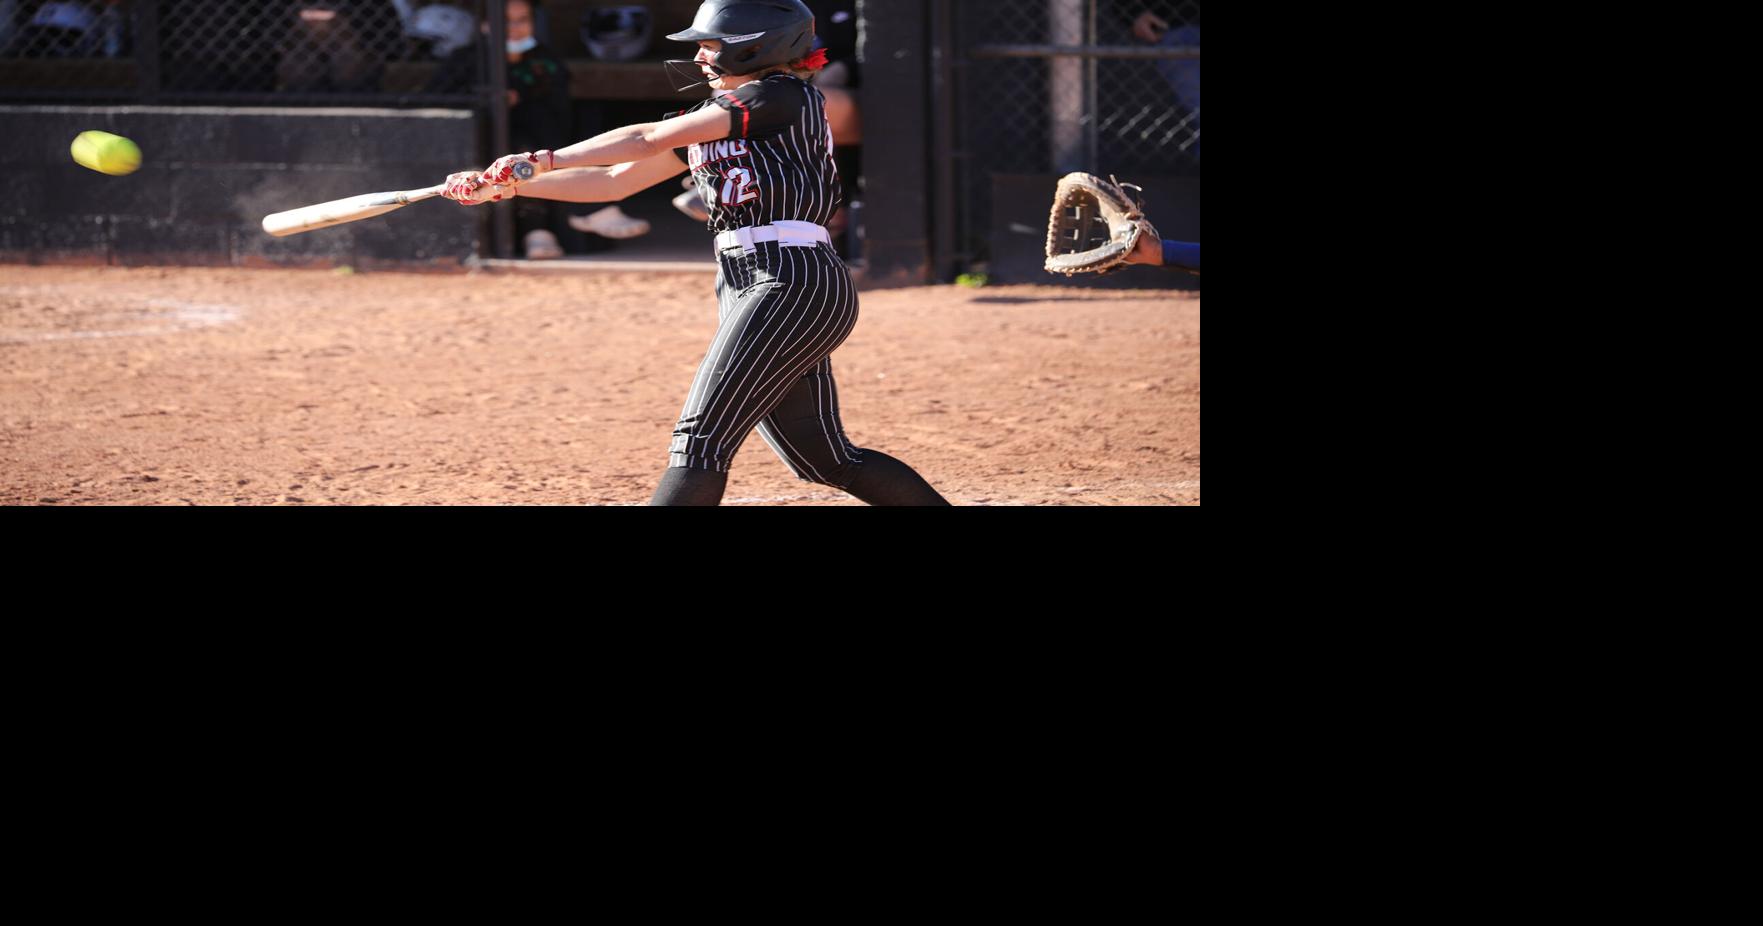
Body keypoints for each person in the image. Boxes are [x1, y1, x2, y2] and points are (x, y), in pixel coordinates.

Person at [443, 0, 948, 506]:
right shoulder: (714, 119)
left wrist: (538, 161)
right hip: (751, 282)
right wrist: (507, 188)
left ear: (758, 46)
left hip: (792, 278)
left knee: (700, 442)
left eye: (712, 44)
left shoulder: (781, 95)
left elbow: (644, 139)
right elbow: (614, 181)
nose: (703, 56)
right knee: (826, 459)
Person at [426, 0, 648, 259]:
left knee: (583, 120)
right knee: (522, 147)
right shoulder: (467, 60)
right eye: (507, 21)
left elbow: (557, 99)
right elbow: (439, 97)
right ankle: (537, 231)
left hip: (549, 136)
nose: (516, 28)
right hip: (491, 140)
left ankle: (592, 208)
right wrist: (491, 99)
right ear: (487, 25)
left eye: (523, 20)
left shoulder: (544, 57)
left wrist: (522, 95)